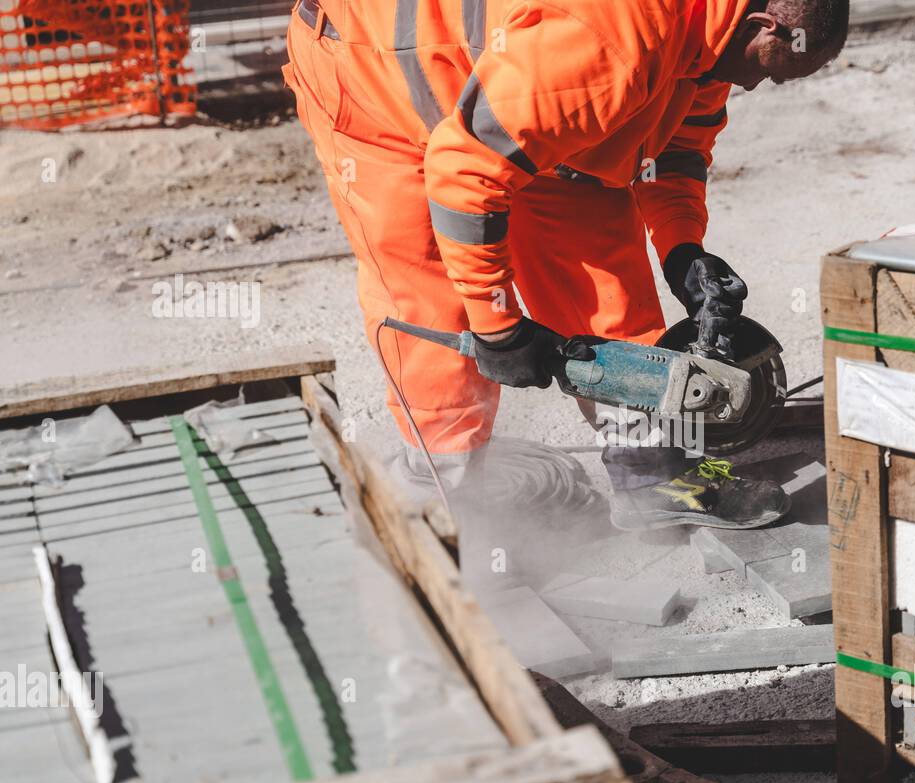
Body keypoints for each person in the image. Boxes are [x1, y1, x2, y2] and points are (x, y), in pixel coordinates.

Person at [283, 0, 849, 530]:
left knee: (609, 289)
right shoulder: (611, 43)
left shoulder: (708, 36)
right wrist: (498, 327)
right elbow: (464, 174)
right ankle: (443, 509)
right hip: (374, 80)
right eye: (770, 70)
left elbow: (676, 145)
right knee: (432, 302)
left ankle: (652, 481)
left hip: (526, 90)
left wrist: (683, 251)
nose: (753, 83)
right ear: (762, 24)